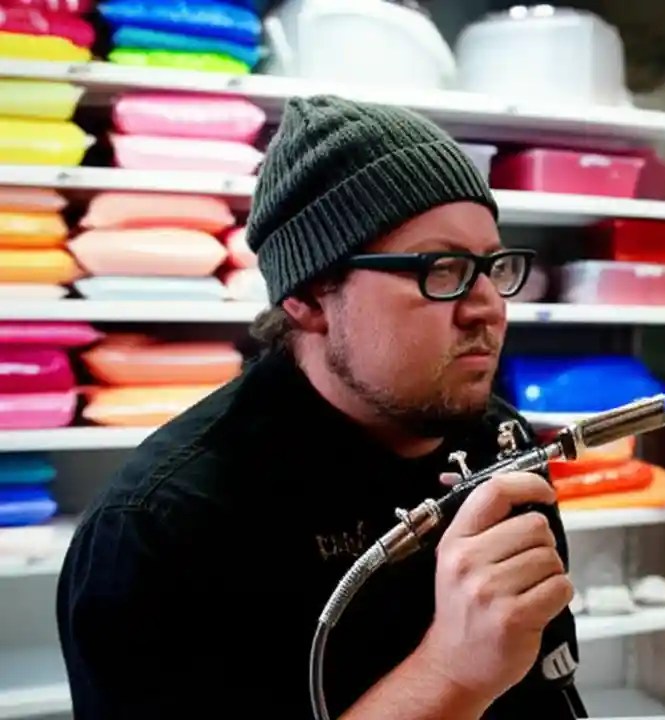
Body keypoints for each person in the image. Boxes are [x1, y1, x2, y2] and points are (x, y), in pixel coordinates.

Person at [55, 95, 586, 719]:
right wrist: (450, 672)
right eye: (441, 269)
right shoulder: (158, 533)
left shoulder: (499, 440)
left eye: (493, 266)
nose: (489, 305)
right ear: (307, 296)